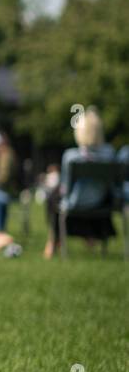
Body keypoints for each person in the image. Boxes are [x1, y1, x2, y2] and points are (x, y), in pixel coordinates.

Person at [44, 107, 118, 259]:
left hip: (75, 203)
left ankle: (53, 241)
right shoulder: (110, 154)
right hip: (102, 204)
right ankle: (90, 236)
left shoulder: (72, 157)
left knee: (53, 197)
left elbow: (66, 188)